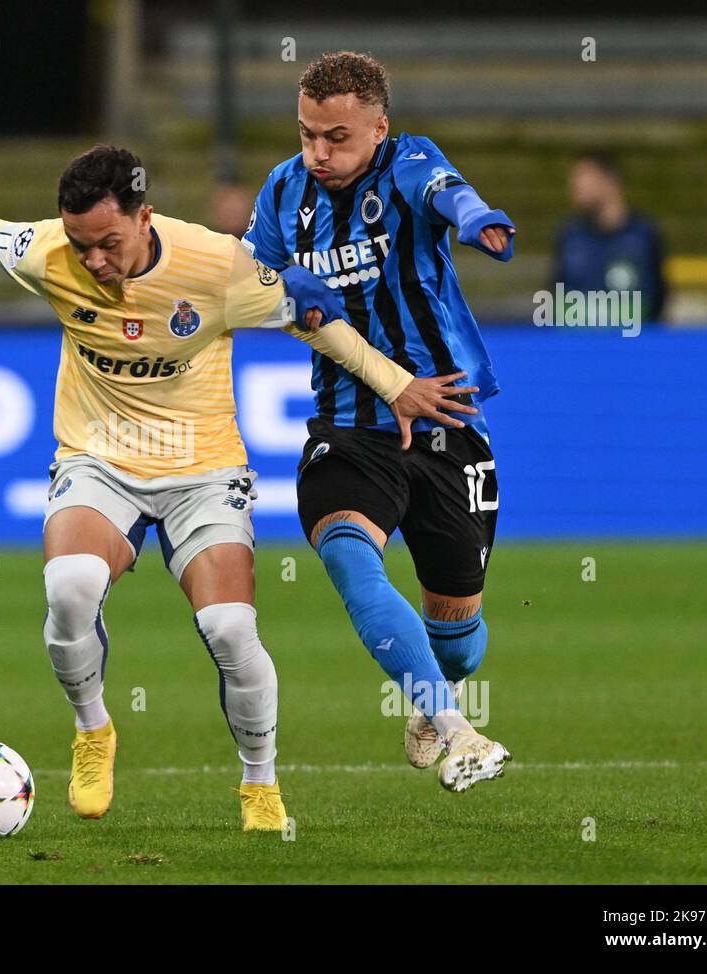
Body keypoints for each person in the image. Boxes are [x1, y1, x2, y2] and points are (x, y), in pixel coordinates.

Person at [0, 145, 477, 827]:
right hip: (98, 458)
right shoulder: (48, 251)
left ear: (145, 218)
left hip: (202, 469)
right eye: (81, 245)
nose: (93, 261)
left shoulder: (217, 266)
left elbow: (325, 331)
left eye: (108, 243)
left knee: (230, 629)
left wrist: (397, 386)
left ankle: (259, 784)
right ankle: (93, 730)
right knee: (69, 589)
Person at [242, 51, 514, 792]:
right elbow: (246, 280)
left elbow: (448, 193)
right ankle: (456, 727)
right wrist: (271, 285)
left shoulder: (409, 162)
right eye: (306, 135)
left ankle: (436, 692)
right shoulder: (284, 189)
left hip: (447, 421)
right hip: (348, 427)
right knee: (349, 555)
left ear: (378, 130)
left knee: (458, 644)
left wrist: (477, 218)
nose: (318, 153)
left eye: (336, 137)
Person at [555, 152, 667, 323]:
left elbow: (656, 300)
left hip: (632, 345)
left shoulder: (644, 236)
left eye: (584, 179)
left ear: (610, 181)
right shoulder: (570, 236)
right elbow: (556, 299)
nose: (575, 187)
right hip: (582, 345)